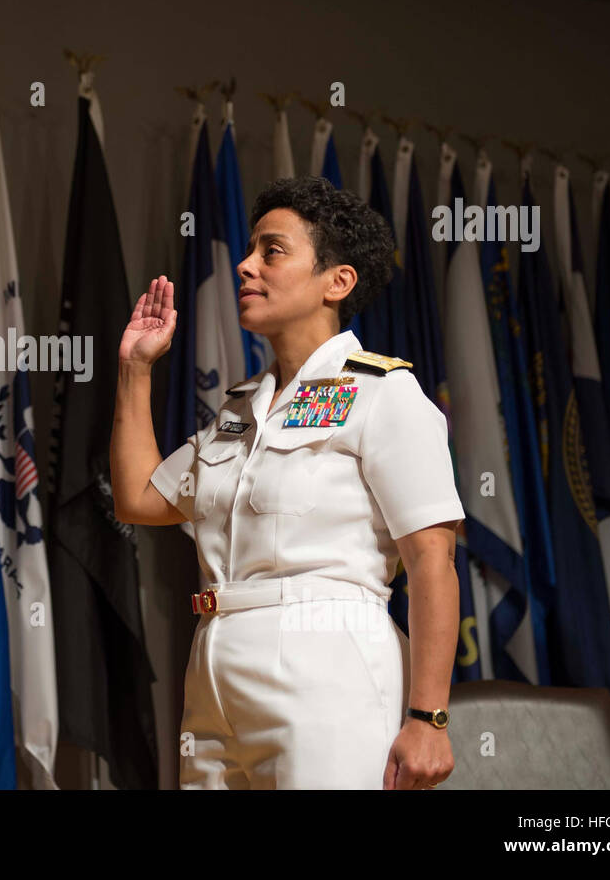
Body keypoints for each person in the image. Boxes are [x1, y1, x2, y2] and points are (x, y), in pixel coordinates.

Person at [111, 176, 464, 789]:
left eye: (271, 251)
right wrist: (135, 369)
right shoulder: (240, 408)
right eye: (250, 249)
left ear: (337, 282)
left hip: (328, 664)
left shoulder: (385, 393)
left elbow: (433, 559)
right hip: (214, 666)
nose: (246, 265)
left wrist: (428, 718)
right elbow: (139, 499)